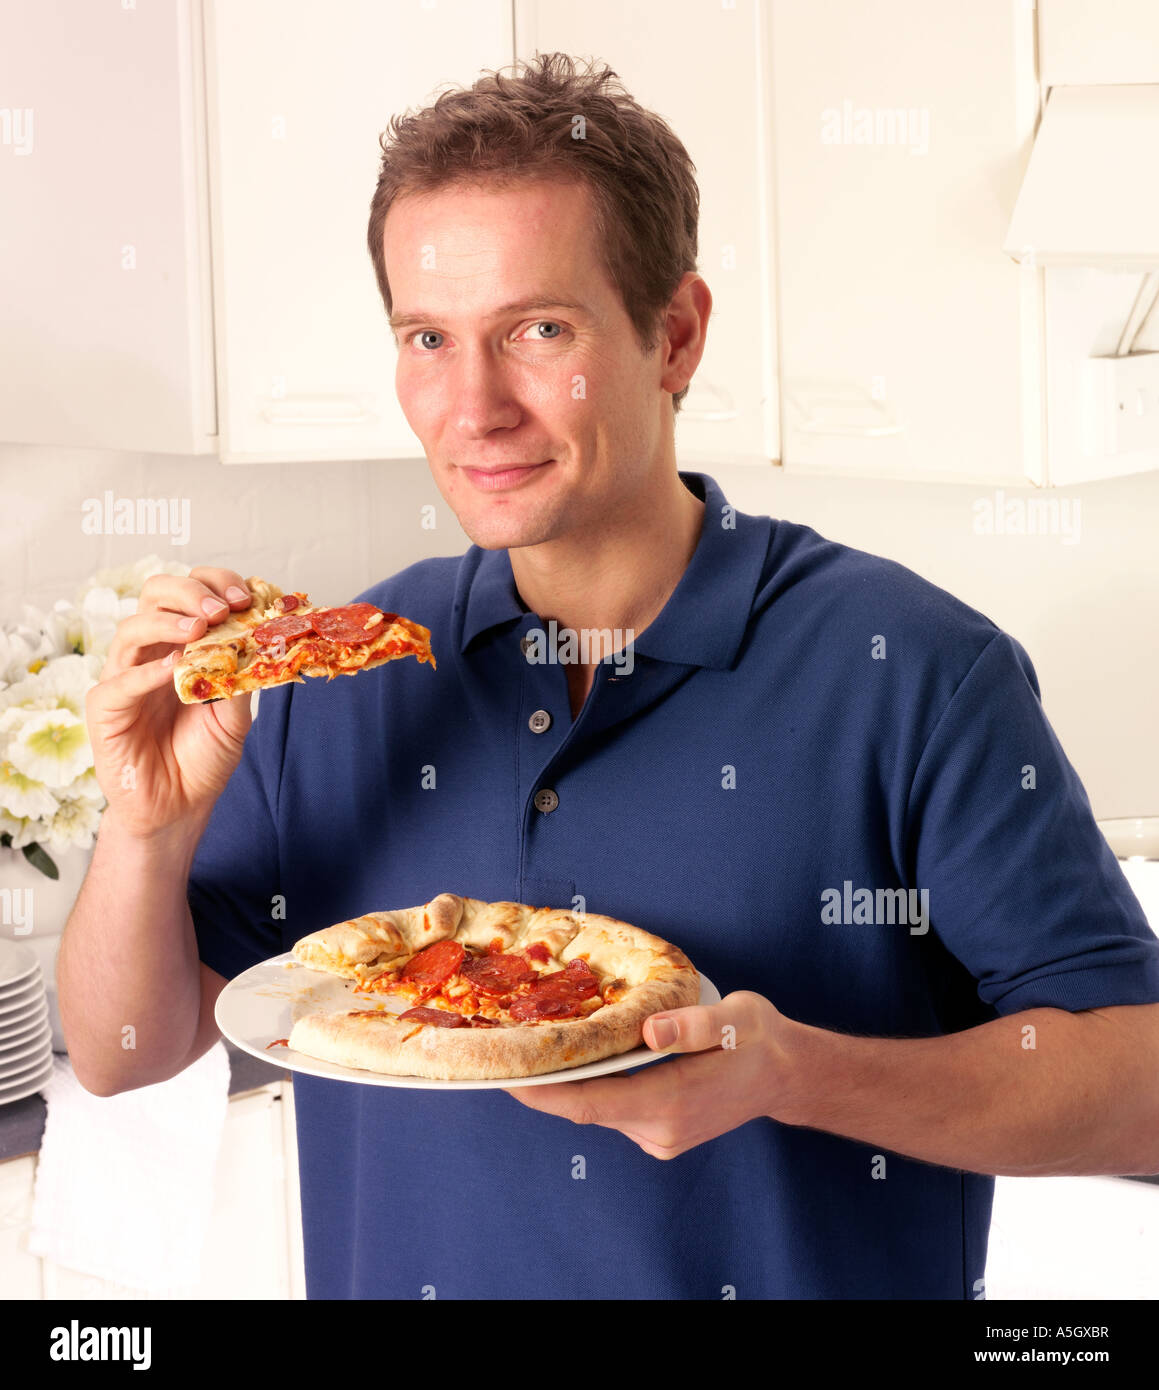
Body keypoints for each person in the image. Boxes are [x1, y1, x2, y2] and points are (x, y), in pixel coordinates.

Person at [62, 53, 1159, 1300]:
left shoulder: (913, 671)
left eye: (538, 330)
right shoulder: (346, 666)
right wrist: (146, 831)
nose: (472, 407)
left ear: (675, 334)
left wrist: (798, 1072)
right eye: (428, 337)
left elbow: (1136, 1090)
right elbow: (122, 1053)